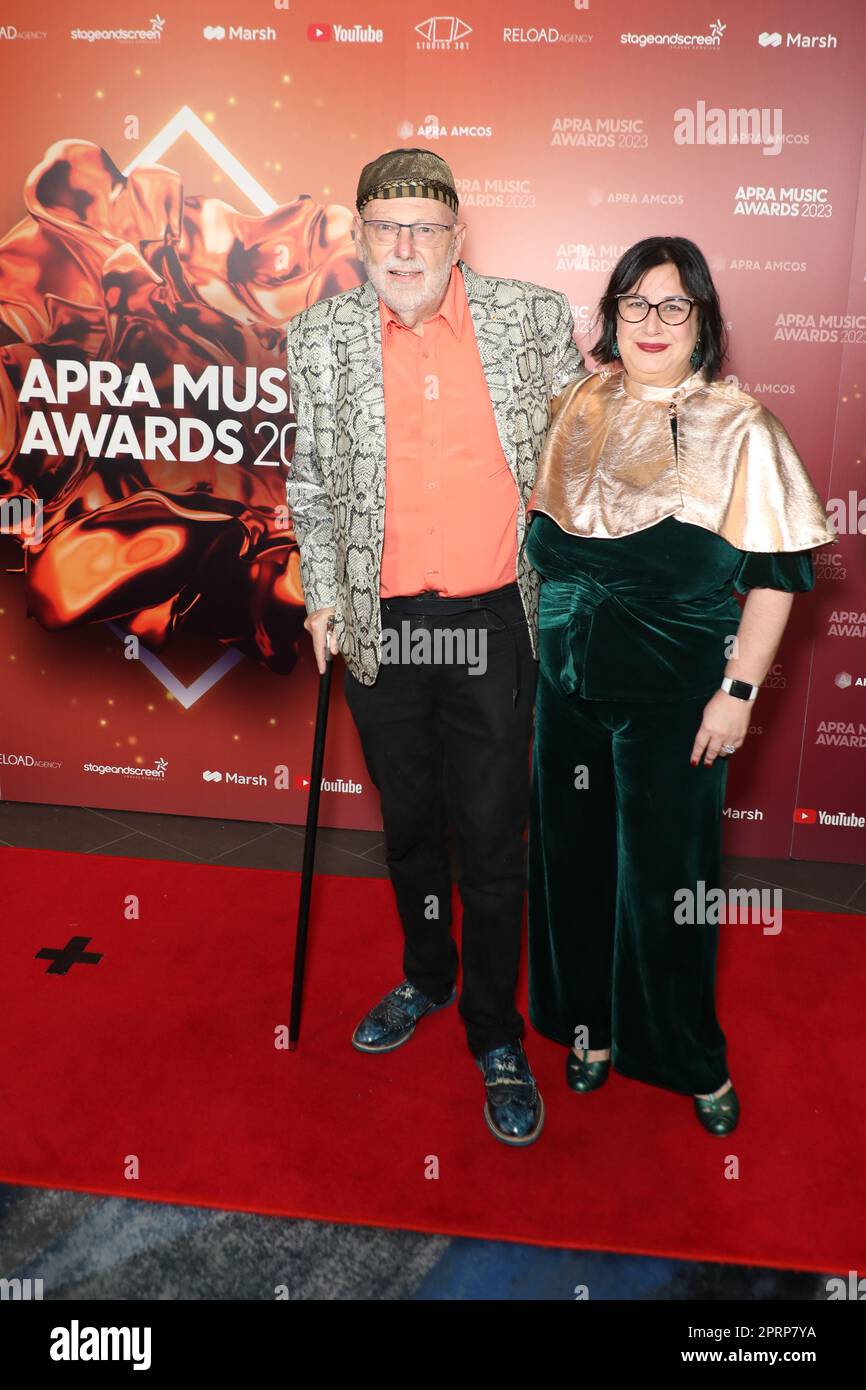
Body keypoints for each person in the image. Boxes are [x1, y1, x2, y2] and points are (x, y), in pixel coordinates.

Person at [285, 148, 587, 1145]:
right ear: (358, 237)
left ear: (458, 237)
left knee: (492, 840)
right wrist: (323, 594)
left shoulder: (529, 318)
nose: (403, 246)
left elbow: (577, 455)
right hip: (382, 625)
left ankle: (494, 1031)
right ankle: (425, 975)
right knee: (410, 825)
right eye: (384, 227)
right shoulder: (319, 334)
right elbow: (312, 483)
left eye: (422, 227)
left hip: (494, 619)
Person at [524, 235, 836, 1134]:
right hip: (566, 695)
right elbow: (545, 544)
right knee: (571, 868)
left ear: (702, 322)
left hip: (675, 707)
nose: (651, 324)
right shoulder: (576, 404)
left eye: (673, 307)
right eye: (634, 305)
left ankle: (688, 1055)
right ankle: (589, 1031)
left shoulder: (744, 430)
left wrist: (736, 694)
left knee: (668, 884)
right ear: (610, 316)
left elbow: (777, 576)